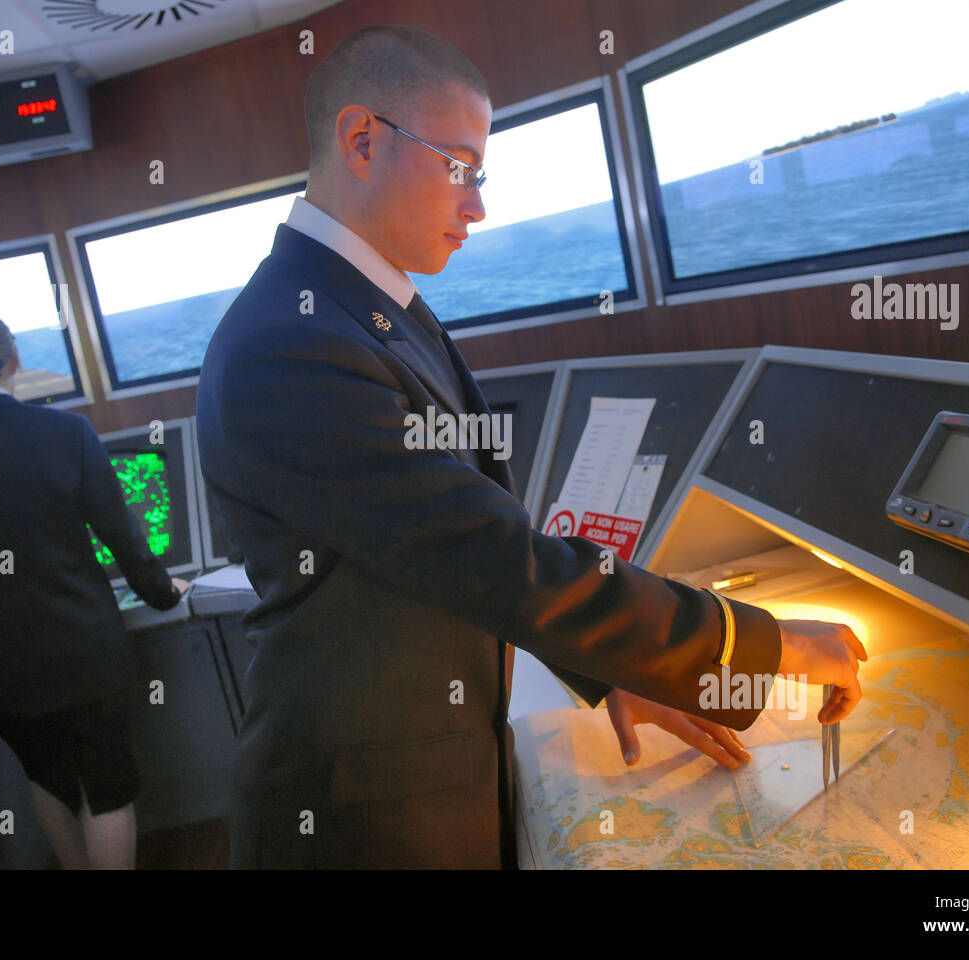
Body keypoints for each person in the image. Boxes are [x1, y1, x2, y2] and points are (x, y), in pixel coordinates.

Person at [195, 25, 866, 868]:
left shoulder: (363, 308)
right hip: (361, 824)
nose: (477, 204)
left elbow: (440, 561)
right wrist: (760, 644)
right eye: (460, 168)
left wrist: (622, 669)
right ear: (362, 139)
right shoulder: (288, 342)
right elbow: (493, 557)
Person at [0, 310, 191, 869]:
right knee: (105, 791)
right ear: (14, 361)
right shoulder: (65, 432)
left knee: (48, 781)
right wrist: (162, 592)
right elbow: (120, 534)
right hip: (81, 651)